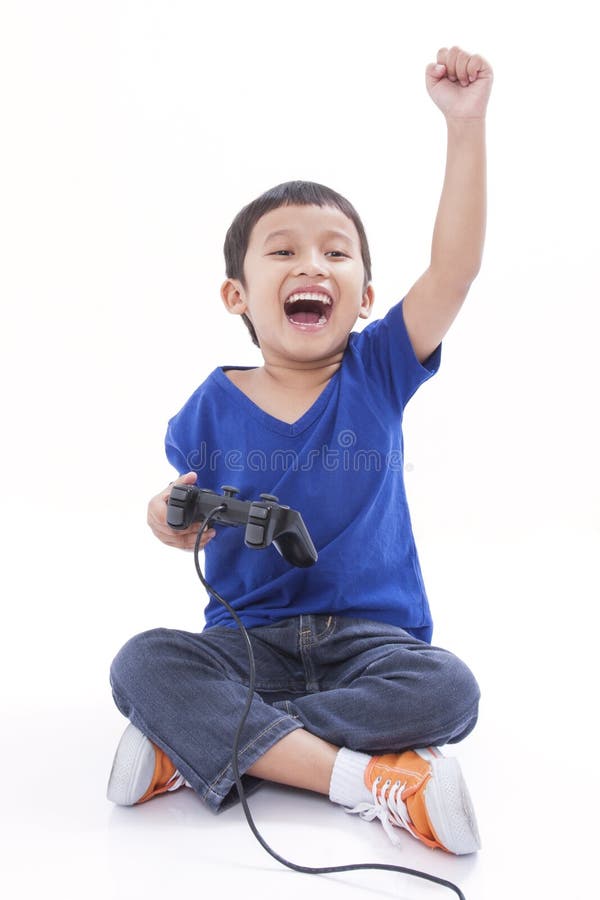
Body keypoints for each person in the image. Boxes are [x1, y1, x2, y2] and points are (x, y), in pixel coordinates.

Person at [107, 46, 493, 856]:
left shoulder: (379, 368)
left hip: (371, 647)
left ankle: (207, 749)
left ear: (366, 296)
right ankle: (369, 779)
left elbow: (454, 270)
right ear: (238, 296)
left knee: (450, 689)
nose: (311, 263)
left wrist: (465, 126)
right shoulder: (206, 409)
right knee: (141, 664)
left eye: (335, 252)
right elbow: (179, 509)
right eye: (283, 251)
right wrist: (164, 518)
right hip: (244, 645)